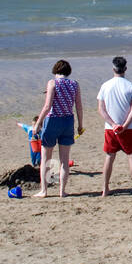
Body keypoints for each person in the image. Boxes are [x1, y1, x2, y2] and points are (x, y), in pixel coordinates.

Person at [32, 60, 83, 197]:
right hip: (68, 121)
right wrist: (80, 124)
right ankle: (62, 191)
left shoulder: (52, 83)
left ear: (56, 71)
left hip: (52, 120)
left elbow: (47, 106)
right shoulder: (74, 84)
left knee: (45, 158)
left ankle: (44, 190)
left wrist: (37, 124)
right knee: (64, 160)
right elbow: (78, 106)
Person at [97, 56, 132, 197]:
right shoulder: (131, 86)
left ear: (113, 69)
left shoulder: (105, 85)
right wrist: (124, 125)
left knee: (109, 157)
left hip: (111, 129)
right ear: (125, 69)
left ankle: (105, 188)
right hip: (128, 128)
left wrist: (114, 124)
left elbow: (101, 110)